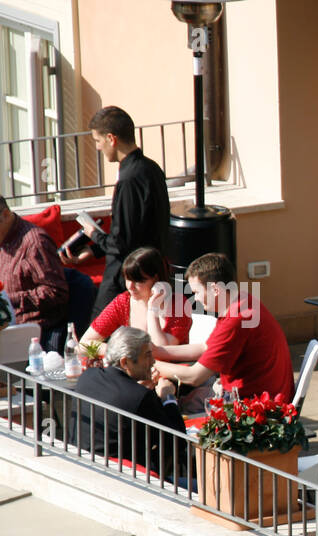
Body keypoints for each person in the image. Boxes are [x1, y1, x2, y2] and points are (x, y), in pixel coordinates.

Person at [61, 107, 170, 318]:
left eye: (97, 140)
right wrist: (94, 251)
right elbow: (134, 233)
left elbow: (122, 244)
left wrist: (93, 234)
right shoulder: (151, 169)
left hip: (126, 278)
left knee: (95, 342)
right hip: (150, 272)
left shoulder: (130, 179)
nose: (98, 148)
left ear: (111, 138)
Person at [153, 252, 294, 403]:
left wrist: (149, 363)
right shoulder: (243, 301)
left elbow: (194, 376)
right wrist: (156, 351)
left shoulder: (236, 319)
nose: (196, 299)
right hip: (265, 398)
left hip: (256, 408)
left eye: (196, 292)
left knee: (174, 406)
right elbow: (206, 347)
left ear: (215, 289)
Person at [73, 326, 185, 477]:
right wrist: (168, 398)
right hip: (127, 477)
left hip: (83, 466)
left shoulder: (88, 376)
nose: (153, 362)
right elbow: (177, 441)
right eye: (147, 355)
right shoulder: (141, 396)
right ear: (125, 362)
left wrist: (138, 389)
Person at [78, 247, 190, 353]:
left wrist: (153, 309)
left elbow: (162, 351)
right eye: (127, 279)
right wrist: (118, 351)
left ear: (156, 279)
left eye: (138, 281)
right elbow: (83, 344)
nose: (130, 287)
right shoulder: (123, 302)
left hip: (171, 371)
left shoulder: (178, 304)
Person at [0, 195, 69, 349]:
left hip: (32, 336)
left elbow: (56, 292)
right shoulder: (4, 238)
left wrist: (8, 300)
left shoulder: (35, 243)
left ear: (5, 215)